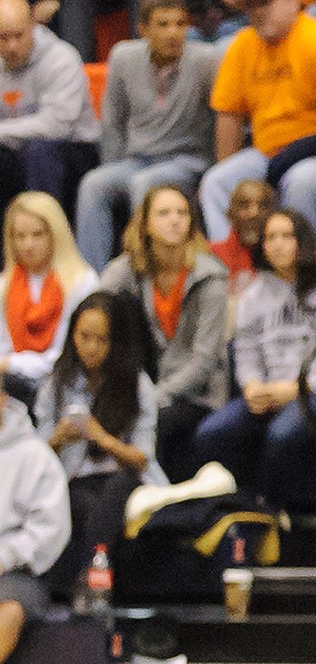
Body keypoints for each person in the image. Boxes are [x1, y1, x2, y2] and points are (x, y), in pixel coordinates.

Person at [197, 208, 316, 507]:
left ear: (303, 241)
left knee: (282, 434)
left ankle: (278, 514)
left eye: (286, 236)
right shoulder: (253, 296)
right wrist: (251, 387)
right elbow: (246, 353)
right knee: (212, 432)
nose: (277, 244)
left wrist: (297, 388)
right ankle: (242, 508)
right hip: (271, 392)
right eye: (270, 237)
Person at [197, 0, 316, 240]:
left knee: (302, 180)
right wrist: (229, 172)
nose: (257, 12)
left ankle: (298, 268)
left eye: (266, 2)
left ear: (293, 1)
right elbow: (228, 117)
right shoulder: (242, 45)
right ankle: (232, 269)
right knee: (216, 181)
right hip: (267, 154)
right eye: (251, 5)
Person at [92, 184, 227, 483]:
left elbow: (203, 362)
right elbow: (94, 309)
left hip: (197, 395)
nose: (175, 220)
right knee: (120, 307)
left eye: (182, 213)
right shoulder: (130, 269)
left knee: (151, 425)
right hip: (149, 382)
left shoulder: (210, 276)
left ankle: (156, 505)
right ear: (146, 224)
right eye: (164, 213)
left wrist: (152, 398)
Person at [76, 0, 218, 270]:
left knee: (144, 184)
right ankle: (93, 281)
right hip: (137, 160)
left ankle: (144, 271)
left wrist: (212, 169)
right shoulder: (123, 57)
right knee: (93, 184)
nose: (174, 33)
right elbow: (113, 121)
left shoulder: (206, 60)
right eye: (163, 25)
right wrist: (113, 166)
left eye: (180, 24)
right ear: (143, 30)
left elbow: (221, 119)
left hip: (187, 160)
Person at [34, 290, 160, 591]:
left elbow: (143, 458)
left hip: (127, 478)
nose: (90, 348)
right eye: (83, 337)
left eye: (101, 340)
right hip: (75, 478)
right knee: (82, 501)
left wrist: (102, 438)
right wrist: (58, 440)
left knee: (116, 488)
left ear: (116, 342)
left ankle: (90, 581)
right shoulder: (56, 384)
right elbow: (35, 460)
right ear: (72, 336)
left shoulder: (137, 384)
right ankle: (97, 576)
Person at [0, 0, 100, 207]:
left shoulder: (60, 58)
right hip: (15, 150)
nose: (12, 46)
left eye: (19, 35)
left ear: (33, 26)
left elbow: (57, 126)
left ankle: (44, 229)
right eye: (3, 38)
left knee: (39, 150)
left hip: (74, 150)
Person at [0, 193, 97, 396]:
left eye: (37, 234)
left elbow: (69, 354)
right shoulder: (4, 286)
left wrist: (13, 364)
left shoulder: (82, 282)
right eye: (20, 236)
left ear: (55, 234)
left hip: (67, 386)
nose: (28, 245)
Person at [0, 371, 67, 663]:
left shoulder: (35, 455)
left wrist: (3, 558)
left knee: (10, 609)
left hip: (17, 571)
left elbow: (49, 531)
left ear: (2, 399)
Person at [209, 179, 274, 296]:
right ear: (230, 213)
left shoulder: (281, 258)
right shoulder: (211, 255)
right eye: (244, 205)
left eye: (262, 206)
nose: (254, 213)